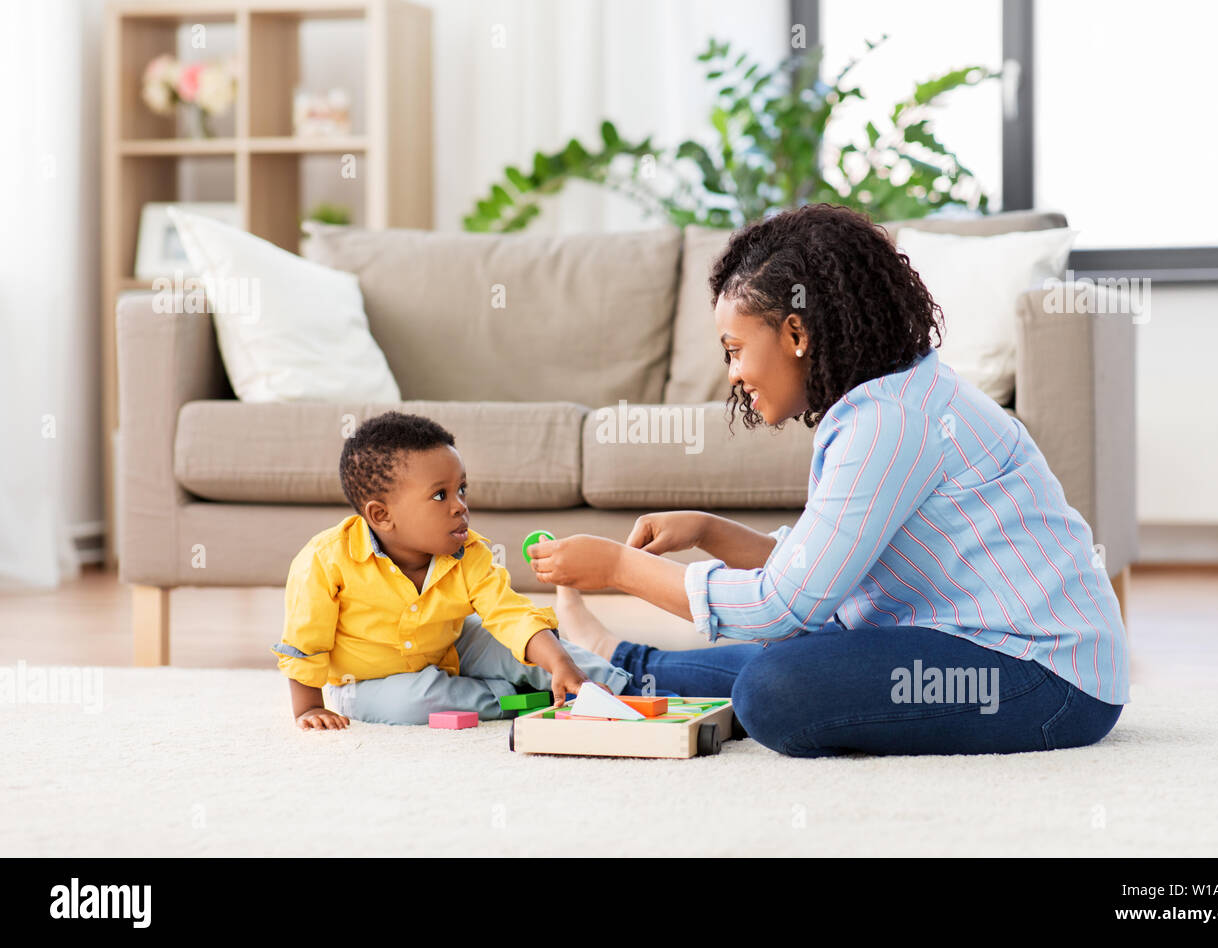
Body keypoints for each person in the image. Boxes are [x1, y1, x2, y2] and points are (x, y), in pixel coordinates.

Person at [529, 203, 1129, 758]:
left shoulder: (889, 424)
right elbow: (814, 576)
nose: (733, 374)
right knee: (805, 654)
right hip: (993, 652)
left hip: (1042, 679)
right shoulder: (884, 404)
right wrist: (709, 530)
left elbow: (781, 607)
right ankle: (617, 663)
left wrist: (618, 570)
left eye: (736, 349)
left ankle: (624, 661)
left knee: (777, 686)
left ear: (796, 334)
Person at [271, 411, 631, 729]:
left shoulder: (469, 552)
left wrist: (559, 662)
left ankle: (615, 688)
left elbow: (510, 613)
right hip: (368, 679)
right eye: (441, 495)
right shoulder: (324, 560)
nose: (460, 506)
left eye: (462, 489)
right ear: (382, 515)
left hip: (452, 642)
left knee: (535, 648)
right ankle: (516, 696)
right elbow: (306, 642)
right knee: (412, 703)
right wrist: (310, 708)